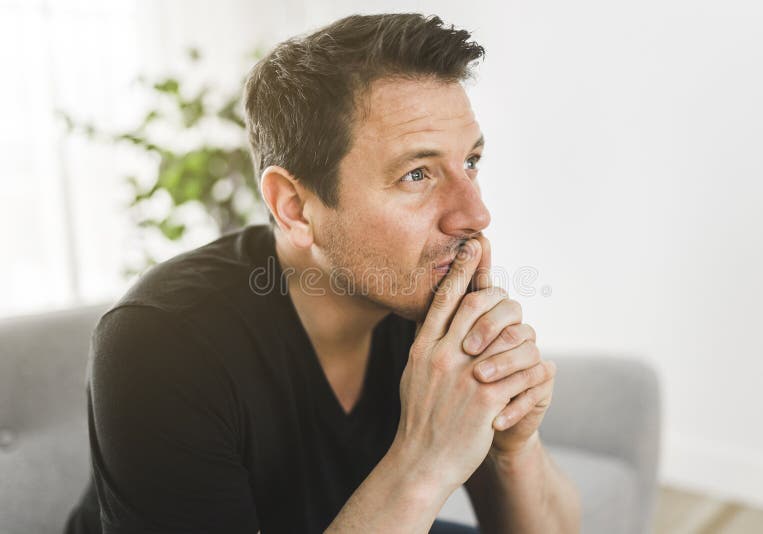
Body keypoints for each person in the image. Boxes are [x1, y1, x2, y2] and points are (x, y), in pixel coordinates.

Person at [64, 13, 581, 534]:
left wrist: (513, 446)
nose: (475, 215)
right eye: (416, 174)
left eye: (470, 162)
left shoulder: (429, 301)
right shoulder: (161, 340)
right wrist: (424, 460)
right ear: (293, 207)